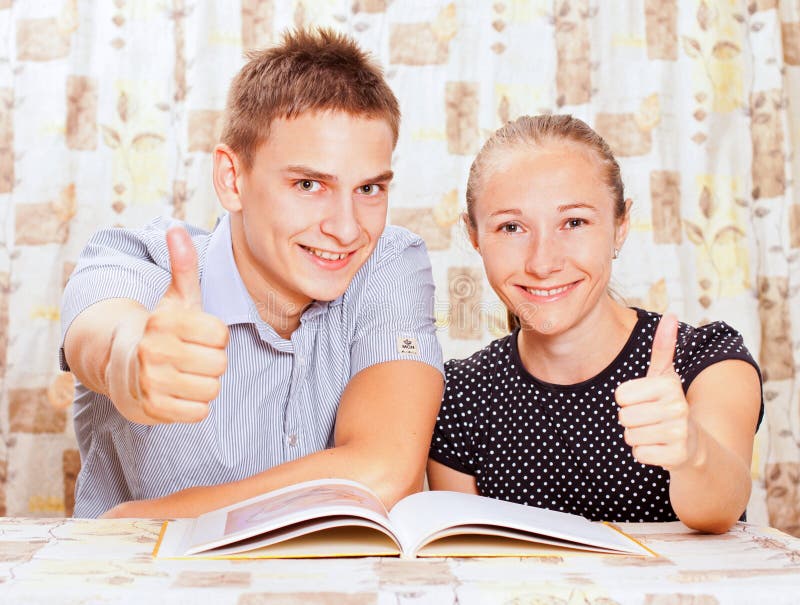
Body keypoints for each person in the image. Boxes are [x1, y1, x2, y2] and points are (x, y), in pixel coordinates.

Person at [61, 28, 444, 518]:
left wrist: (148, 519)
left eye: (369, 189)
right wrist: (134, 363)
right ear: (232, 178)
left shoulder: (389, 261)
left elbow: (382, 472)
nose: (347, 230)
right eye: (309, 184)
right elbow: (106, 338)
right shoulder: (136, 259)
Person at [427, 114, 763, 533]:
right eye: (511, 227)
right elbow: (468, 559)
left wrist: (691, 452)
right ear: (475, 237)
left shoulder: (705, 360)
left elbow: (721, 510)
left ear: (620, 227)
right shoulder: (458, 397)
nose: (543, 262)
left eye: (574, 222)